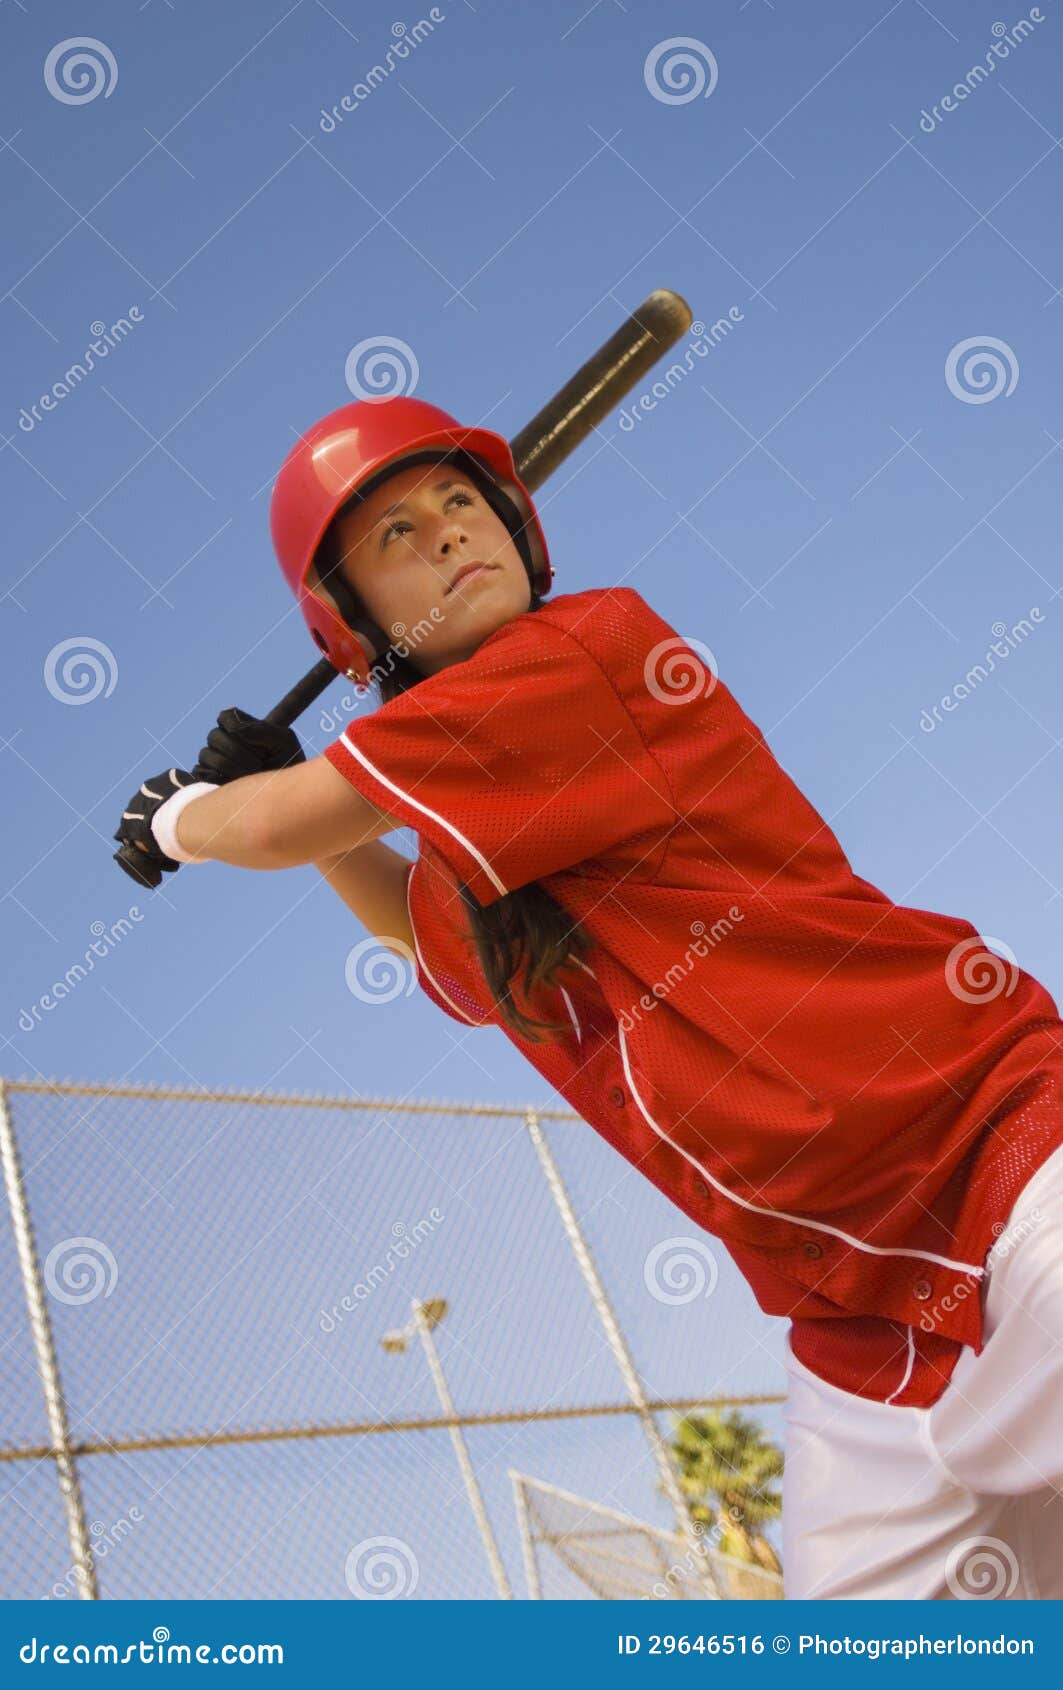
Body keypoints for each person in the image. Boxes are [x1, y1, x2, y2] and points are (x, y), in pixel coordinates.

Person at [115, 397, 1063, 1600]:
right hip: (858, 1309)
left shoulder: (581, 653)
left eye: (461, 501)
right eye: (397, 534)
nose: (451, 532)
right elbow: (414, 914)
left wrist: (181, 815)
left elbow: (262, 822)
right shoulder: (480, 856)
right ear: (354, 625)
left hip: (1001, 1153)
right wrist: (281, 814)